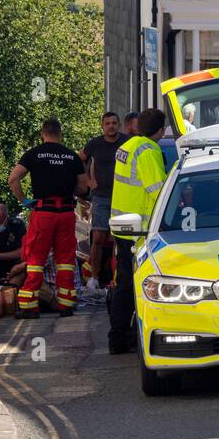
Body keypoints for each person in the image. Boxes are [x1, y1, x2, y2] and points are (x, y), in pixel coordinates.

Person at [8, 118, 88, 319]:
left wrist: (25, 200)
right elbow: (83, 187)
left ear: (43, 134)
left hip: (43, 213)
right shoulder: (72, 156)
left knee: (35, 259)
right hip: (66, 214)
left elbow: (13, 178)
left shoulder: (34, 153)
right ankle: (66, 305)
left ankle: (28, 307)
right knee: (65, 260)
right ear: (60, 134)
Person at [108, 108, 168, 354]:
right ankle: (127, 336)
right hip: (141, 232)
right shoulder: (147, 151)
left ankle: (119, 336)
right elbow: (159, 191)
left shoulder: (129, 146)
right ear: (160, 130)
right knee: (144, 285)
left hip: (123, 226)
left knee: (123, 285)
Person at [81, 111, 126, 298]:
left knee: (120, 239)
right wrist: (87, 179)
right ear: (102, 126)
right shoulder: (95, 144)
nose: (111, 126)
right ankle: (94, 278)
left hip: (123, 196)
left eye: (114, 123)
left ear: (119, 125)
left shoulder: (126, 141)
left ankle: (119, 278)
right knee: (98, 238)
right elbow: (80, 159)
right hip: (100, 197)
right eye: (107, 123)